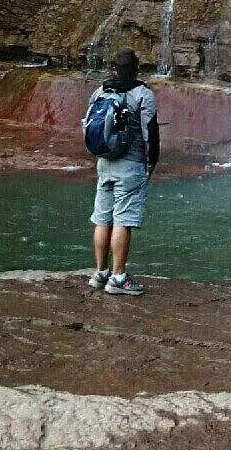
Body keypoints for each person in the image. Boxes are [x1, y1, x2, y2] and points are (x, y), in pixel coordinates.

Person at [86, 49, 159, 296]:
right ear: (137, 69)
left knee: (102, 218)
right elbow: (151, 134)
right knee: (122, 220)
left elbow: (88, 126)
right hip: (131, 165)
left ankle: (100, 273)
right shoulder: (143, 94)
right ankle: (118, 279)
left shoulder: (101, 91)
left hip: (104, 162)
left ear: (115, 69)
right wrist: (151, 164)